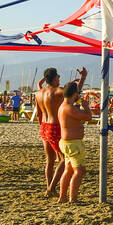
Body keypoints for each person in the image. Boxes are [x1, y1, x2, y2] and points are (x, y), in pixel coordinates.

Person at [36, 66, 84, 197]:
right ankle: (51, 188)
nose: (59, 78)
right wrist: (83, 78)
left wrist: (42, 127)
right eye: (58, 76)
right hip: (54, 126)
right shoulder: (57, 91)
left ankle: (49, 186)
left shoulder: (38, 93)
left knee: (50, 160)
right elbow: (73, 94)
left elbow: (39, 114)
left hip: (44, 126)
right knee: (64, 159)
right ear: (55, 78)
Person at [56, 80, 93, 204]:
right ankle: (73, 198)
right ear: (74, 94)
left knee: (69, 170)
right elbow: (88, 116)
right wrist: (86, 105)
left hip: (68, 143)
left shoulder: (63, 106)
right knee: (79, 171)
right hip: (73, 144)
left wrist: (83, 78)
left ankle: (63, 197)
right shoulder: (68, 108)